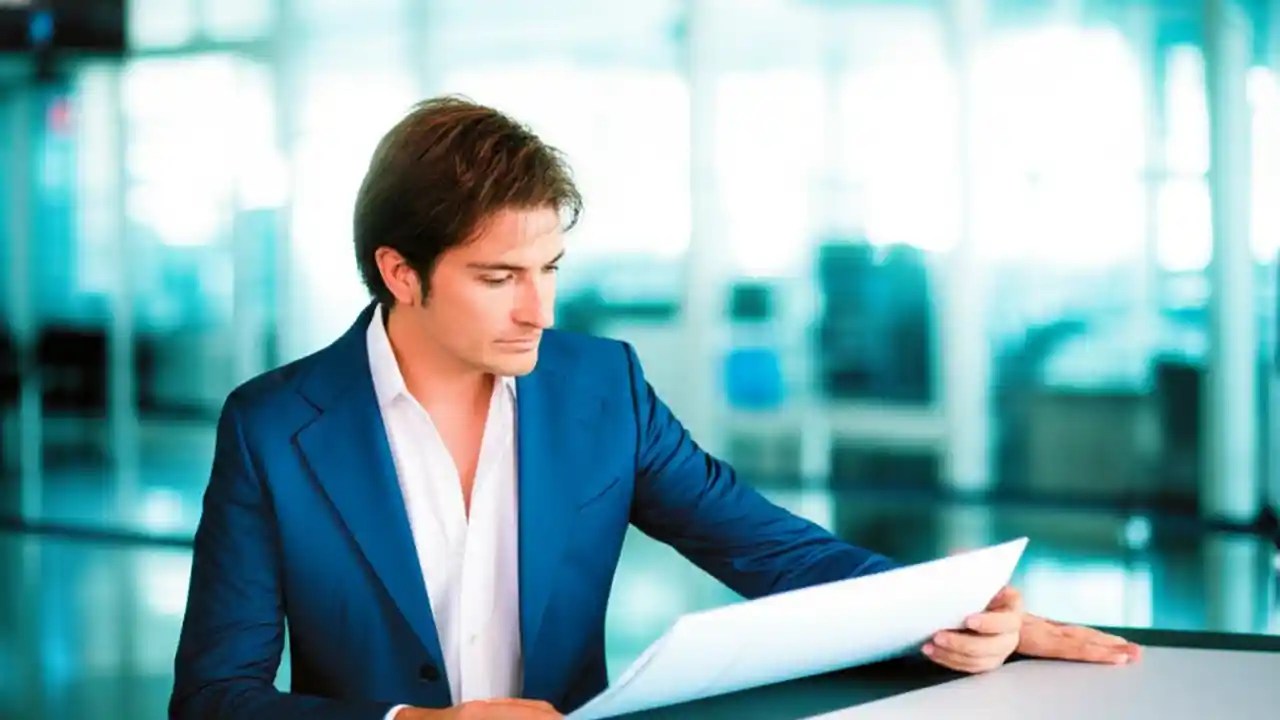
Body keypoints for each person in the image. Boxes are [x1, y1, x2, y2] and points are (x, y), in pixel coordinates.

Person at [170, 97, 1142, 720]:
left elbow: (772, 550)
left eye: (549, 269)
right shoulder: (273, 428)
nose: (539, 310)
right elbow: (214, 698)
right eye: (499, 276)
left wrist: (953, 613)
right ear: (400, 272)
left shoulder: (601, 389)